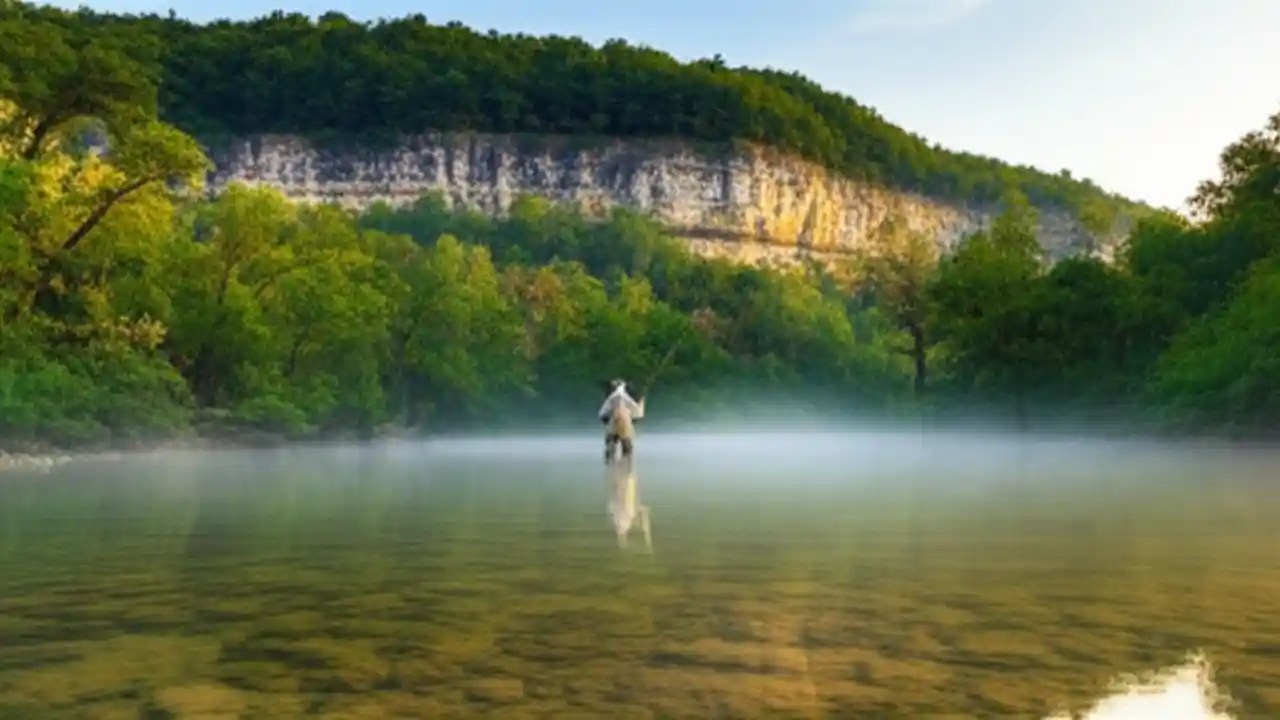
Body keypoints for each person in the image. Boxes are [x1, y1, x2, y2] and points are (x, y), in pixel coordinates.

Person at [598, 378, 644, 464]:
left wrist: (605, 420)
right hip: (626, 423)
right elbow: (637, 414)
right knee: (627, 446)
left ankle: (610, 466)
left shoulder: (612, 397)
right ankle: (626, 467)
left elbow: (603, 413)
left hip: (614, 422)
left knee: (610, 442)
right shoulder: (630, 398)